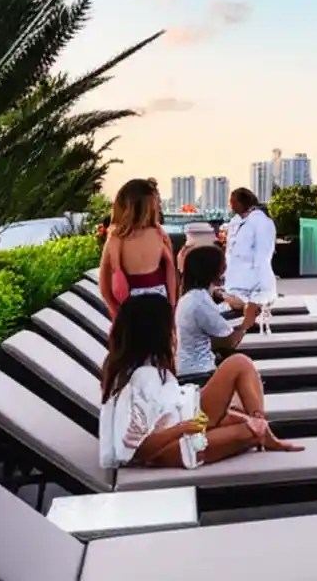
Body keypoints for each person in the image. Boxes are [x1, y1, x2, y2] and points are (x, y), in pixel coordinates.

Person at [99, 294, 300, 471]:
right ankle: (262, 434)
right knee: (240, 373)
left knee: (245, 416)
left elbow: (166, 411)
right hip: (172, 448)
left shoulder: (145, 370)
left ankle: (263, 431)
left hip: (185, 425)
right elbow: (136, 450)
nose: (174, 334)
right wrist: (182, 429)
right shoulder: (140, 380)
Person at [176, 245, 261, 384]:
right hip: (199, 373)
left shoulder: (192, 297)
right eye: (223, 267)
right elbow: (229, 342)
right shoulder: (200, 301)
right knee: (246, 369)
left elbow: (214, 339)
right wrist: (247, 322)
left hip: (187, 369)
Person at [98, 179, 177, 319]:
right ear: (152, 207)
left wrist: (116, 314)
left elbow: (104, 287)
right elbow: (171, 274)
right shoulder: (160, 235)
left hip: (129, 309)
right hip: (159, 308)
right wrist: (172, 309)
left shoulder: (116, 239)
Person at [224, 188, 277, 309]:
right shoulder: (234, 222)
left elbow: (263, 255)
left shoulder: (262, 222)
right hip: (235, 284)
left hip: (255, 285)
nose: (231, 206)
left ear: (243, 203)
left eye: (233, 202)